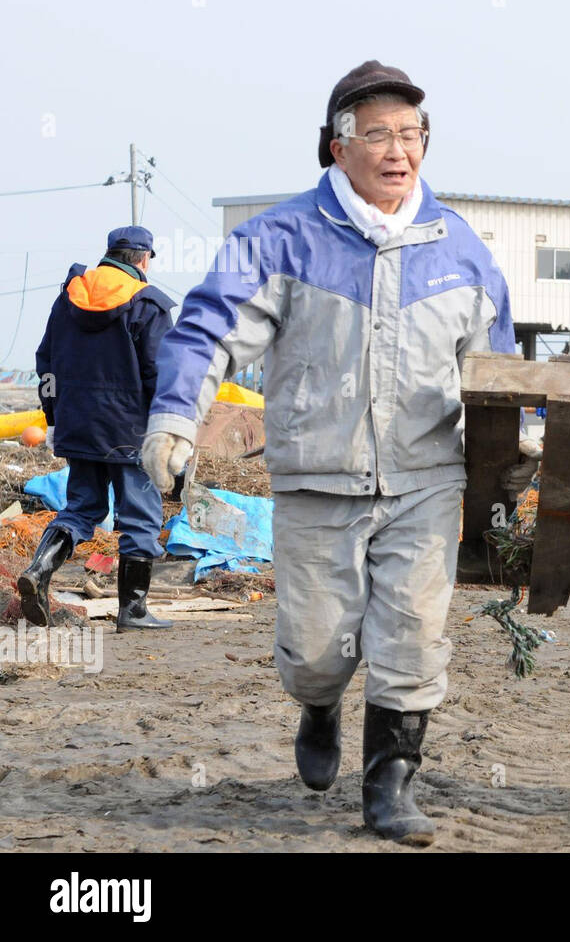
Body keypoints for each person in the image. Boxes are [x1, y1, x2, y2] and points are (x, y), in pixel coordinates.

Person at [141, 61, 537, 845]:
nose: (400, 150)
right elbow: (209, 328)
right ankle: (319, 706)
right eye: (380, 134)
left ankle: (389, 785)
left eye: (412, 134)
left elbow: (497, 367)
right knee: (320, 649)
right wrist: (176, 417)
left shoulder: (458, 247)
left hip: (425, 479)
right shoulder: (281, 241)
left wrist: (516, 439)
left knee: (413, 635)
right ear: (337, 148)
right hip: (319, 479)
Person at [20, 227, 176, 632]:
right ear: (143, 259)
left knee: (81, 509)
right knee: (140, 517)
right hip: (131, 433)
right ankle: (133, 610)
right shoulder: (149, 305)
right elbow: (161, 374)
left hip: (79, 426)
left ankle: (38, 571)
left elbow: (46, 364)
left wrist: (54, 418)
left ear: (111, 254)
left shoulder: (68, 297)